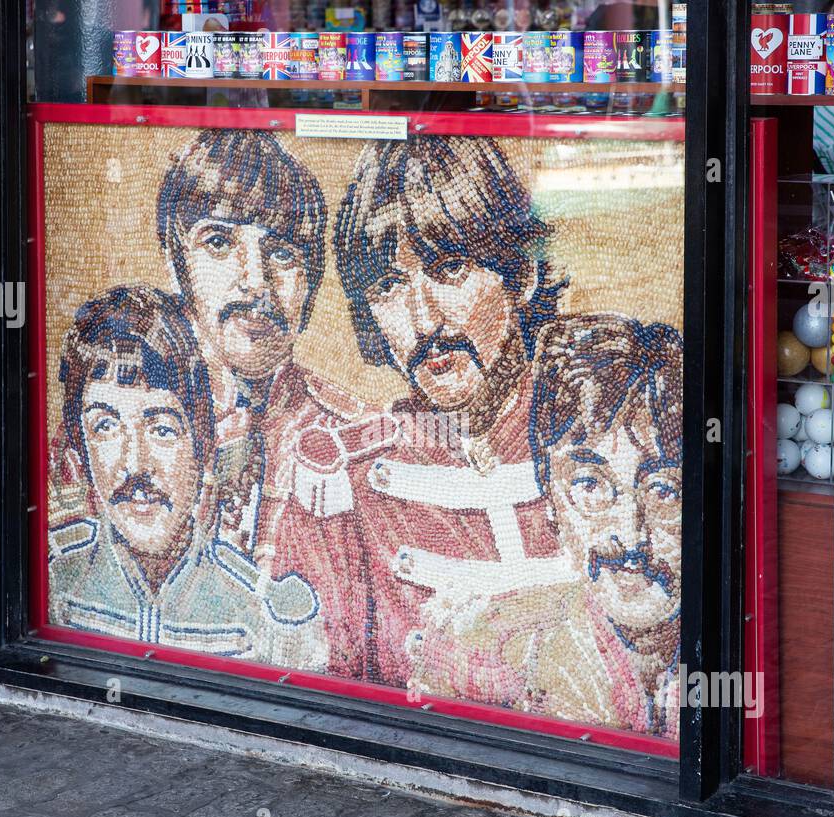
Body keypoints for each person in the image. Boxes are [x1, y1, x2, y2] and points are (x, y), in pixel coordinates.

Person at [332, 136, 572, 685]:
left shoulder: (593, 433)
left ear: (522, 277)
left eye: (449, 270)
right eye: (389, 286)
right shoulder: (354, 475)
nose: (423, 320)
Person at [156, 129, 373, 676]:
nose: (256, 283)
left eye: (282, 253)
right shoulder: (121, 424)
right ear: (175, 263)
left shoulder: (363, 444)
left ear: (312, 285)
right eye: (219, 243)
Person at [407, 316, 684, 738]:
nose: (630, 537)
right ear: (550, 501)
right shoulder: (478, 651)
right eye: (591, 485)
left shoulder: (743, 659)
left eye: (663, 491)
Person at [47, 285, 326, 669]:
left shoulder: (270, 616)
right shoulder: (54, 573)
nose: (135, 465)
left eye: (161, 429)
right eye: (106, 426)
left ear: (202, 445)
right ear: (82, 446)